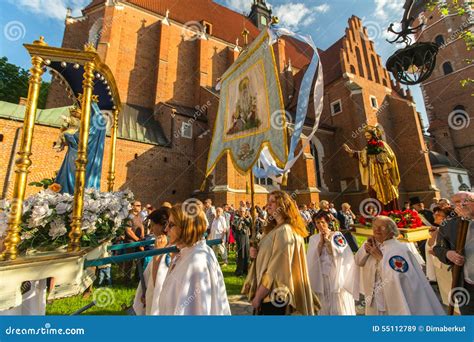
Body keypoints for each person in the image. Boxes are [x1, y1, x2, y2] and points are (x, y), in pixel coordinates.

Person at [242, 191, 320, 315]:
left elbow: (275, 270)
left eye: (273, 201)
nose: (268, 205)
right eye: (268, 201)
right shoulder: (275, 229)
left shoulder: (284, 231)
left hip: (274, 295)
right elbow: (269, 257)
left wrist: (258, 296)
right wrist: (256, 254)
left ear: (283, 205)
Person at [353, 216, 444, 315]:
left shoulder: (399, 249)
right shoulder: (370, 244)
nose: (377, 230)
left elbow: (400, 278)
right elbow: (358, 262)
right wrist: (366, 251)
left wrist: (381, 258)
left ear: (391, 231)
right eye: (375, 227)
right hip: (373, 301)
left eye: (382, 227)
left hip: (391, 301)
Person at [158, 203, 231, 315]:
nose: (166, 229)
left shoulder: (196, 261)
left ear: (186, 227)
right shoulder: (188, 252)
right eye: (167, 223)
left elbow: (197, 309)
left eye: (171, 225)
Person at [307, 211, 356, 315]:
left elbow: (343, 254)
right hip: (321, 274)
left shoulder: (337, 235)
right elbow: (312, 258)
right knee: (324, 299)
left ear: (328, 222)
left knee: (337, 300)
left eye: (322, 222)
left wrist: (328, 243)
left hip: (335, 272)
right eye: (317, 223)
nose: (320, 225)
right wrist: (321, 242)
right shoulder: (313, 238)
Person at [433, 191, 474, 315]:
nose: (462, 205)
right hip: (465, 284)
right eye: (456, 202)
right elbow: (438, 248)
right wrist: (448, 254)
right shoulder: (447, 225)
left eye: (466, 201)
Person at [343, 125, 400, 210]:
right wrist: (351, 152)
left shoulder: (382, 144)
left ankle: (390, 212)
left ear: (374, 135)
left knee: (388, 191)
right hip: (373, 175)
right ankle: (378, 213)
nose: (367, 138)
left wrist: (379, 158)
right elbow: (362, 155)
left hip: (383, 174)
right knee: (373, 192)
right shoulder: (367, 148)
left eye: (368, 136)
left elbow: (390, 156)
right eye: (365, 136)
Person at [133, 207, 171, 315]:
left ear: (162, 225)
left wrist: (157, 253)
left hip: (158, 296)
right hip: (151, 291)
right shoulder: (161, 242)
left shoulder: (167, 247)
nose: (151, 228)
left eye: (153, 224)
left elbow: (159, 279)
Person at [425, 206, 455, 309]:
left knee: (453, 298)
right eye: (435, 214)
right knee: (447, 299)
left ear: (446, 218)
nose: (435, 216)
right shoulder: (435, 230)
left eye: (439, 215)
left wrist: (438, 252)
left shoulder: (448, 232)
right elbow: (429, 247)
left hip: (447, 268)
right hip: (438, 269)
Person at [122, 201, 145, 282]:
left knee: (141, 259)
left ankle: (137, 278)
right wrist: (137, 239)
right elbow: (128, 231)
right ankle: (126, 280)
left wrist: (142, 234)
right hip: (130, 242)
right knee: (129, 261)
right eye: (138, 205)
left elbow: (141, 225)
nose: (140, 206)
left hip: (139, 241)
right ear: (132, 206)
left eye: (140, 205)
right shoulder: (129, 217)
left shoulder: (140, 216)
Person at [233, 207, 252, 276]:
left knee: (246, 253)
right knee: (241, 253)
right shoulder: (236, 218)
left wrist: (246, 218)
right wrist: (240, 219)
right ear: (238, 212)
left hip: (246, 236)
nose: (242, 213)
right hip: (240, 237)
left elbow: (250, 225)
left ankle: (246, 270)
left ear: (245, 212)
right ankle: (239, 270)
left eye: (243, 211)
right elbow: (236, 226)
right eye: (240, 211)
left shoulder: (247, 218)